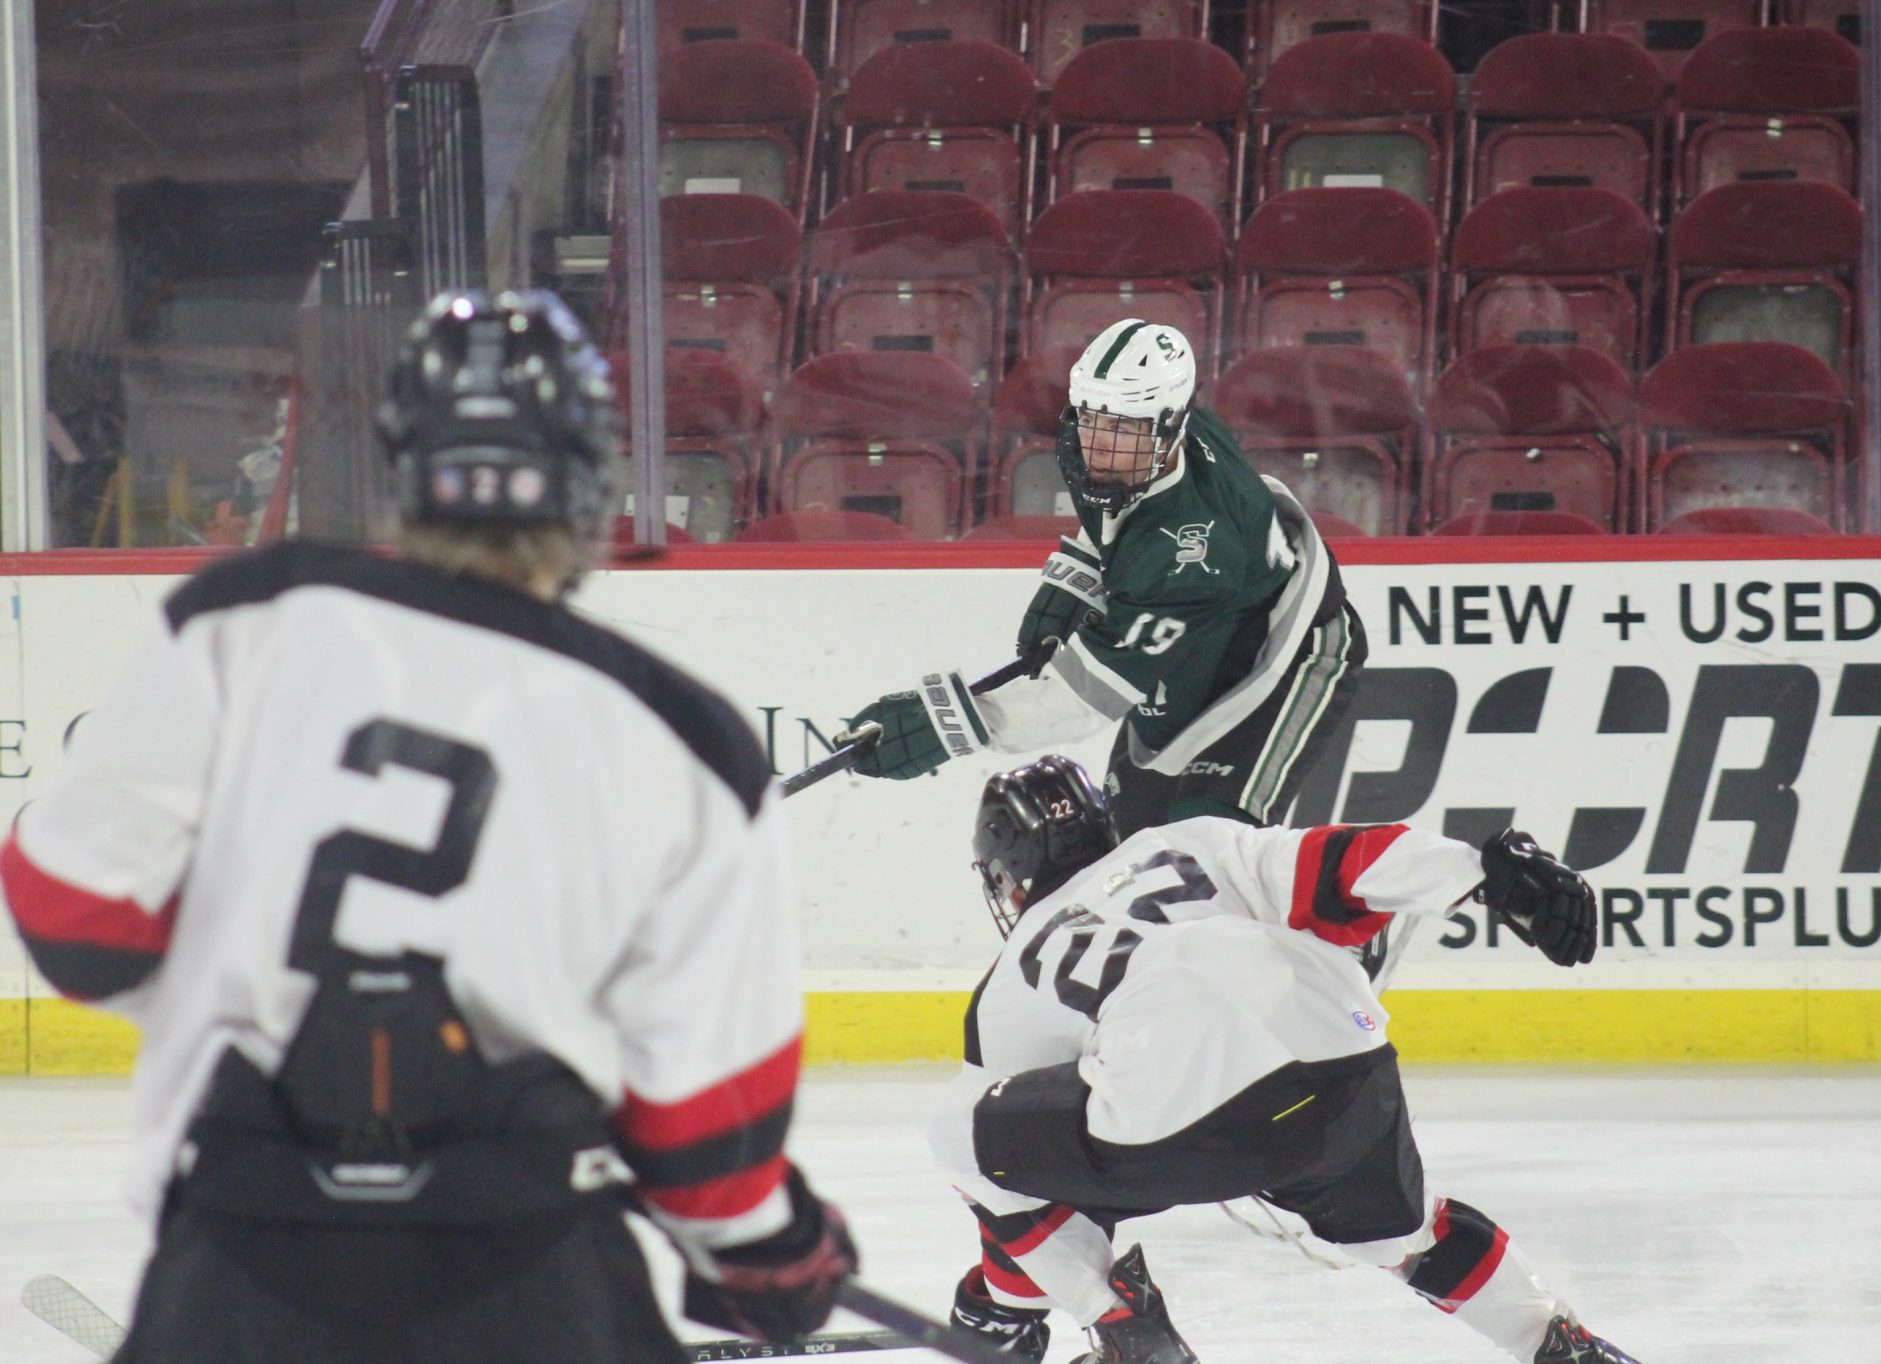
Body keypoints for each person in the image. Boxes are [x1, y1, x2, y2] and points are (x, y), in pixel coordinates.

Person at [0, 290, 855, 1362]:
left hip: (242, 1259)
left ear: (404, 460)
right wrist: (776, 1251)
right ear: (589, 479)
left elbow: (77, 926)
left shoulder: (240, 619)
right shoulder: (692, 741)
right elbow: (706, 1142)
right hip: (532, 1277)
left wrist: (240, 977)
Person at [925, 755, 1641, 1364]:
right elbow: (1345, 863)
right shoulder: (1192, 840)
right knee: (1410, 1238)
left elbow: (1026, 1184)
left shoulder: (1007, 984)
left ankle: (1124, 1328)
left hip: (1177, 1118)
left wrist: (1001, 1307)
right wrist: (1480, 874)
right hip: (1340, 1062)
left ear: (1008, 871)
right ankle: (1561, 1345)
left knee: (959, 1129)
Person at [843, 319, 1365, 836]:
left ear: (1171, 424)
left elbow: (1083, 702)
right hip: (1209, 633)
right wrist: (1081, 572)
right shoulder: (1151, 447)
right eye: (1093, 417)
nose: (1099, 444)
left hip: (1285, 656)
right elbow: (1122, 518)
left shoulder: (1187, 559)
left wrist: (949, 724)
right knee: (1133, 842)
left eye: (1122, 427)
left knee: (1208, 845)